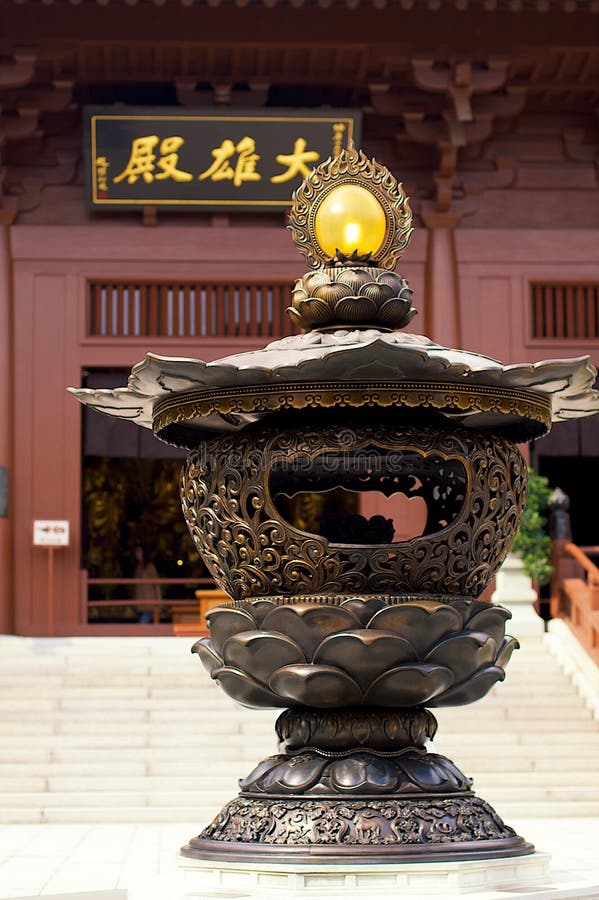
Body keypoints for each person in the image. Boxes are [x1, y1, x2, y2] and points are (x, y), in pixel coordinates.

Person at [134, 545, 161, 624]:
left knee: (142, 624)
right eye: (136, 552)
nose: (137, 554)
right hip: (140, 602)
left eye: (139, 552)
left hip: (149, 601)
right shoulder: (138, 567)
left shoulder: (150, 566)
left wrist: (159, 601)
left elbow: (156, 584)